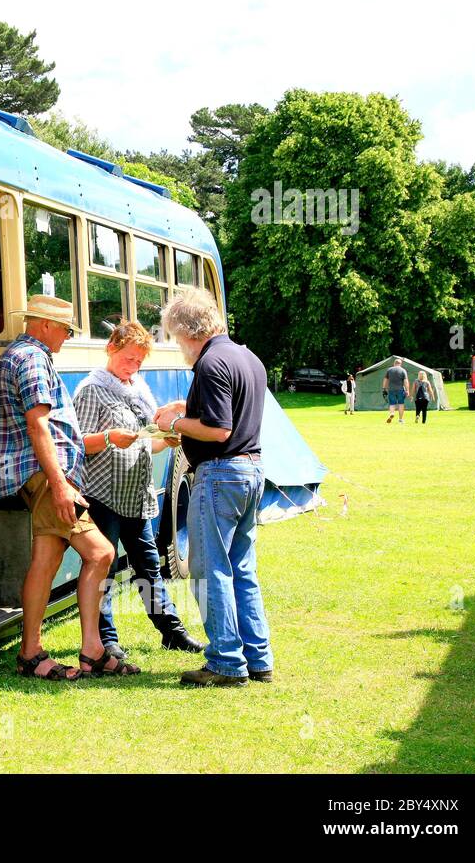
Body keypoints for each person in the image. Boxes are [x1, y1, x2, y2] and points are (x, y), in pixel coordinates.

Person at [0, 294, 139, 680]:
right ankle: (66, 650)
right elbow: (39, 425)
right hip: (46, 477)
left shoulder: (23, 356)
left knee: (48, 560)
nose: (67, 337)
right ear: (44, 325)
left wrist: (104, 439)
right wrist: (59, 485)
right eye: (65, 329)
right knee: (101, 553)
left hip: (43, 475)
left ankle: (38, 654)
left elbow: (53, 429)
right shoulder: (32, 358)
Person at [153, 288, 272, 687]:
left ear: (187, 332)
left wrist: (173, 424)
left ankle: (225, 661)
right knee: (242, 569)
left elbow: (219, 429)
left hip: (221, 474)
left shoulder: (210, 363)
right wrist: (186, 410)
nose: (178, 348)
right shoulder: (247, 357)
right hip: (252, 471)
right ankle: (258, 659)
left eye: (175, 338)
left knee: (209, 572)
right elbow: (234, 413)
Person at [73, 321, 204, 659]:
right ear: (110, 349)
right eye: (128, 359)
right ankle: (106, 639)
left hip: (137, 494)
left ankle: (172, 633)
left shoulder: (139, 387)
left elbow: (149, 444)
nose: (132, 367)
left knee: (149, 566)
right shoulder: (91, 389)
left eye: (138, 362)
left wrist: (164, 439)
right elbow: (77, 446)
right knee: (105, 568)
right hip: (103, 494)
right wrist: (108, 438)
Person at [383, 359, 410, 424]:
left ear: (394, 363)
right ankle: (400, 419)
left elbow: (385, 379)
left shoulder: (389, 370)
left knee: (392, 403)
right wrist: (407, 390)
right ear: (400, 364)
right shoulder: (403, 370)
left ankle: (392, 413)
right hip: (400, 389)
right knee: (401, 404)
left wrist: (384, 388)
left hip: (391, 389)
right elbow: (406, 381)